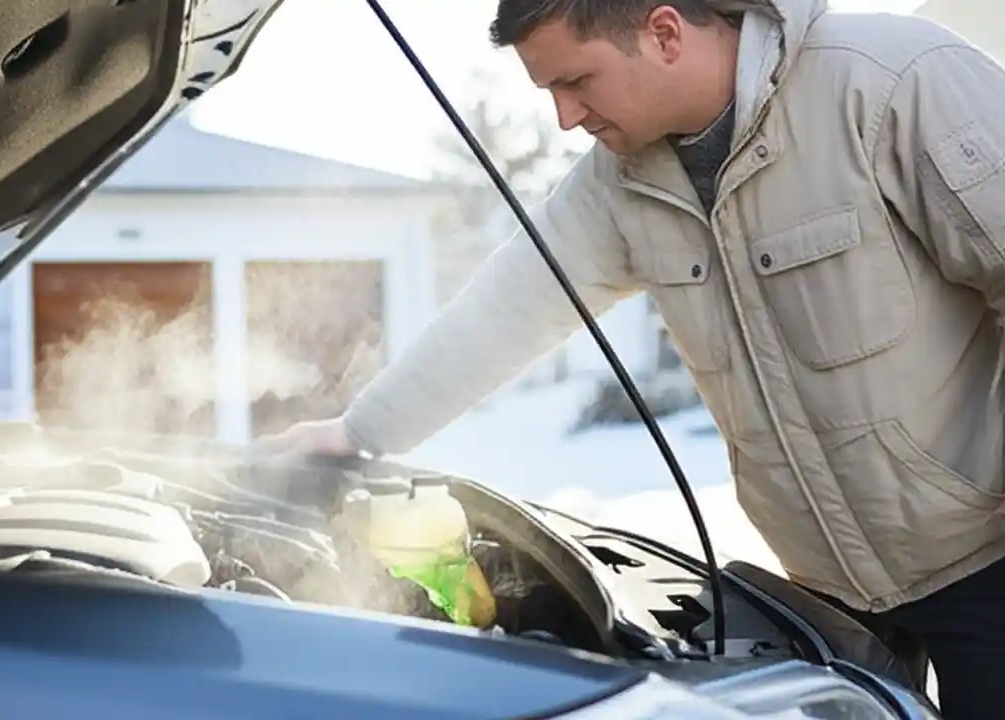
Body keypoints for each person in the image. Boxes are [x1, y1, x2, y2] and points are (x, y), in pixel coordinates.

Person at [259, 0, 1005, 714]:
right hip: (823, 599)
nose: (564, 117)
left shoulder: (890, 85)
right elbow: (506, 309)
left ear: (665, 33)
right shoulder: (619, 184)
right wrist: (359, 432)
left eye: (575, 82)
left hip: (986, 564)